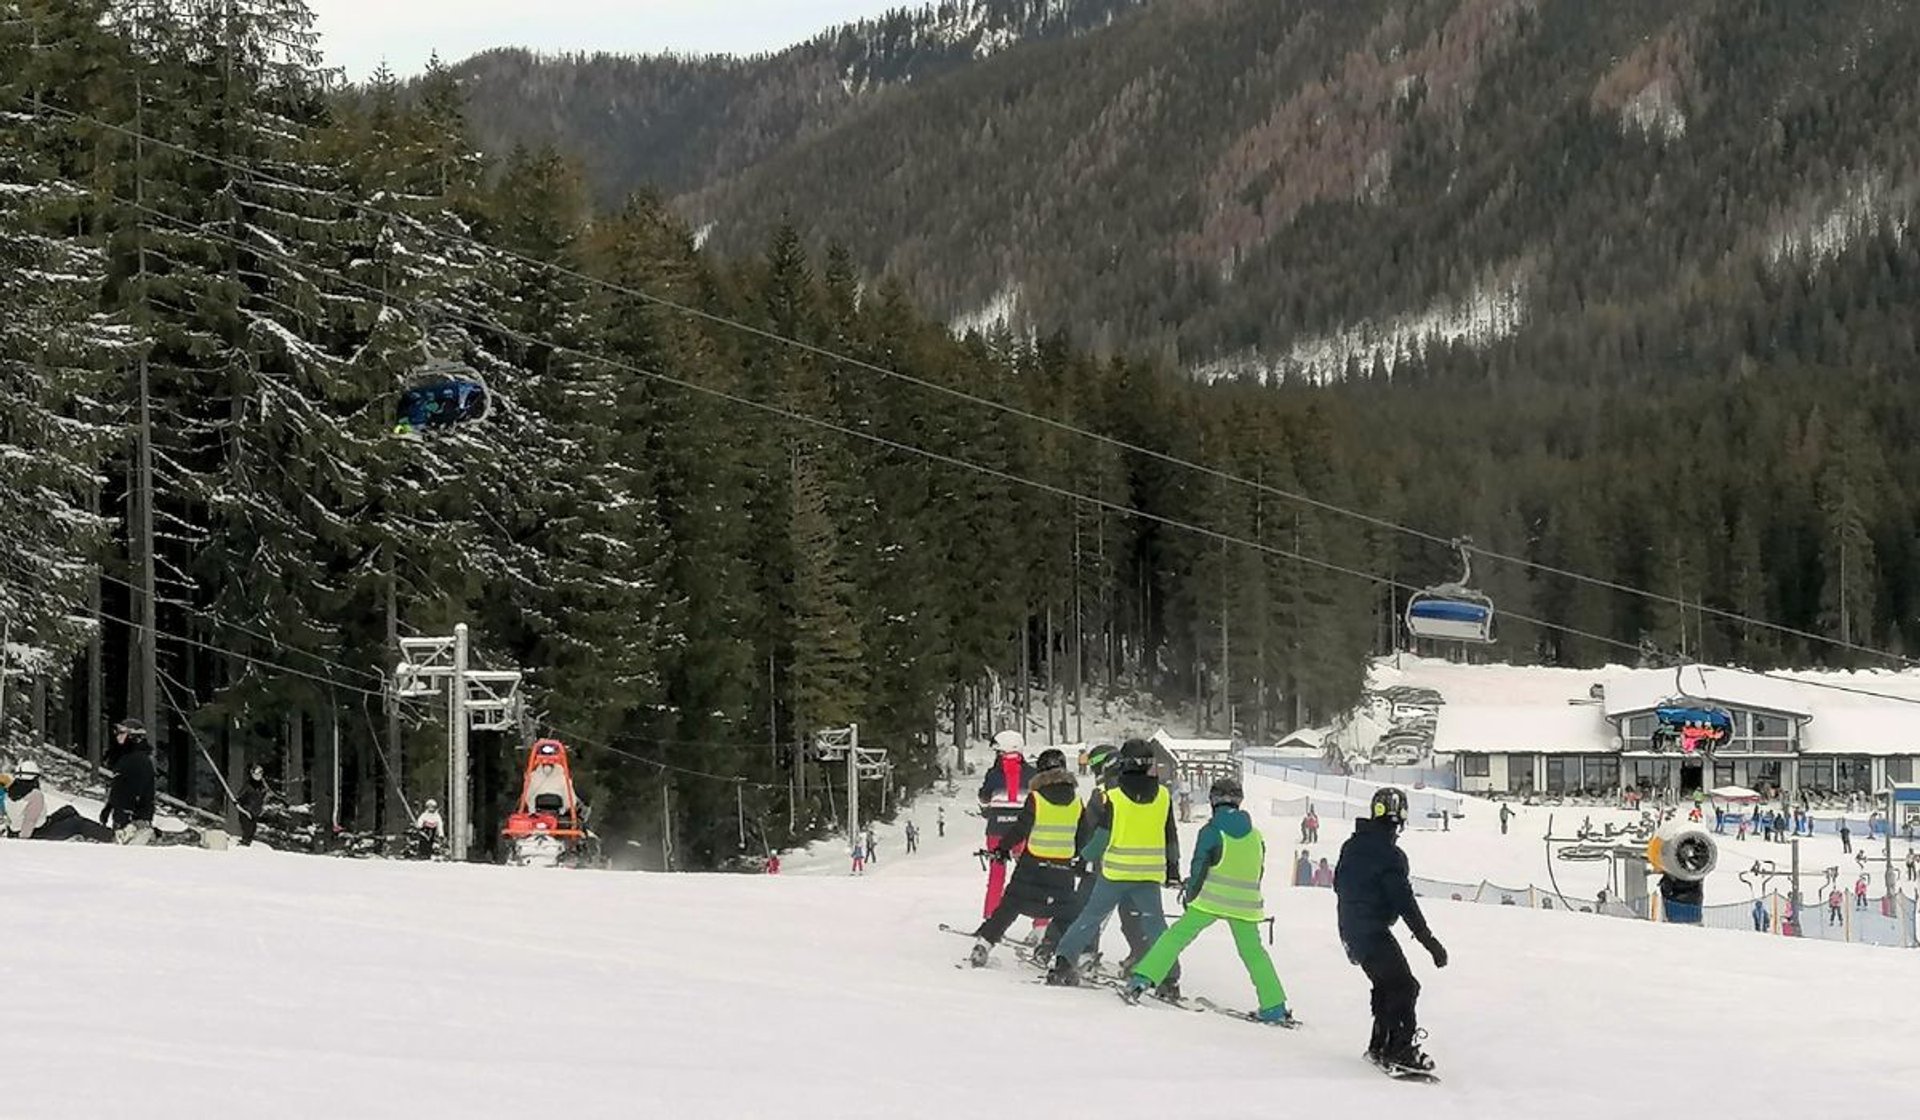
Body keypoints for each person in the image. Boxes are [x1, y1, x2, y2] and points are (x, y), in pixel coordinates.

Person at [1126, 776, 1292, 1022]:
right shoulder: (1256, 835)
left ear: (1213, 801)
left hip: (1210, 900)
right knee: (1254, 954)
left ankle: (1142, 980)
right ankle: (1274, 1006)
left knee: (1175, 938)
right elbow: (1258, 870)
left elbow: (1199, 867)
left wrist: (1190, 895)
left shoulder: (1212, 831)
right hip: (1245, 905)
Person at [1045, 739, 1180, 989]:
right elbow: (1170, 835)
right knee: (1156, 925)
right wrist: (1173, 870)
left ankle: (1064, 963)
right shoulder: (1163, 796)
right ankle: (1168, 978)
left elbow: (1102, 837)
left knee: (1090, 917)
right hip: (1149, 875)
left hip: (1115, 872)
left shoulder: (1114, 797)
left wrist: (1083, 858)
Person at [1335, 787, 1445, 1075]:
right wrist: (1428, 940)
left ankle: (1380, 1045)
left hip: (1352, 928)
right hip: (1370, 930)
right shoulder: (1391, 855)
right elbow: (1403, 901)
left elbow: (1340, 885)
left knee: (1387, 984)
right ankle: (1400, 1051)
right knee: (1404, 986)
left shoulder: (1352, 845)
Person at [969, 749, 1089, 966]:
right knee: (1067, 913)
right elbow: (1083, 837)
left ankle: (984, 944)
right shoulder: (1077, 802)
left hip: (1032, 867)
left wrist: (1003, 849)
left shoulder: (1036, 798)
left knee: (1009, 907)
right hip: (1062, 872)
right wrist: (1080, 861)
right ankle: (1059, 951)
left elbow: (1020, 829)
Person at [977, 732, 1035, 915]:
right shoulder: (1033, 774)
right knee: (1029, 877)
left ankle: (991, 916)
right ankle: (1040, 923)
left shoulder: (993, 774)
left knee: (996, 877)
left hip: (997, 832)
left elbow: (984, 799)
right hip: (1023, 832)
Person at [103, 718, 158, 845]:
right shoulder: (128, 758)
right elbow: (122, 788)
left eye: (122, 733)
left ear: (134, 737)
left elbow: (135, 792)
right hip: (126, 821)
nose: (118, 736)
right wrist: (110, 806)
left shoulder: (136, 760)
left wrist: (127, 817)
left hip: (132, 825)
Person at [237, 764, 269, 847]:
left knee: (253, 829)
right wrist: (240, 805)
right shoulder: (248, 785)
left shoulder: (263, 786)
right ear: (252, 774)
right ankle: (245, 842)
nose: (258, 776)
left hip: (256, 811)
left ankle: (248, 841)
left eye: (259, 774)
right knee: (247, 828)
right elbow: (240, 796)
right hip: (246, 810)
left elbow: (265, 796)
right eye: (256, 774)